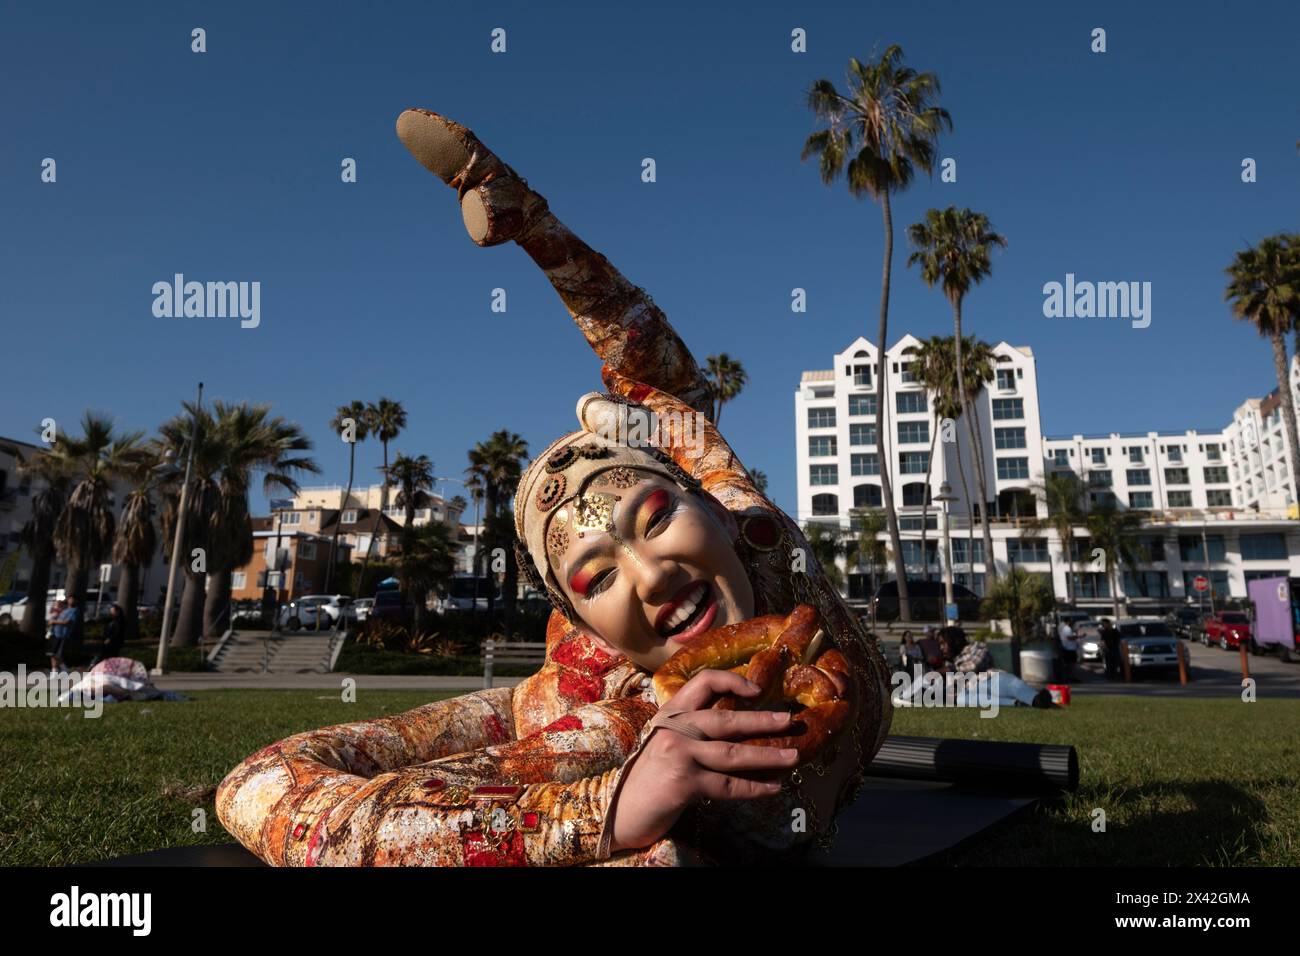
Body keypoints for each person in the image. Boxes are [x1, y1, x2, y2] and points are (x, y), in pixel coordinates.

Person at [215, 108, 893, 868]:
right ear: (585, 626)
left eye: (657, 517)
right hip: (552, 720)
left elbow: (654, 371)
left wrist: (531, 224)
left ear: (706, 505)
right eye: (596, 576)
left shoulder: (750, 521)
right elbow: (267, 792)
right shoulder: (625, 719)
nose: (654, 573)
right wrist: (607, 809)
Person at [49, 596, 79, 673]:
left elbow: (68, 622)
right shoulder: (64, 610)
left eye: (73, 599)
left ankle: (65, 669)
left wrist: (54, 622)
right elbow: (54, 616)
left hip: (63, 635)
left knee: (58, 654)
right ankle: (55, 672)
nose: (71, 601)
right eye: (69, 599)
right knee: (52, 653)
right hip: (55, 633)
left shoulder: (74, 611)